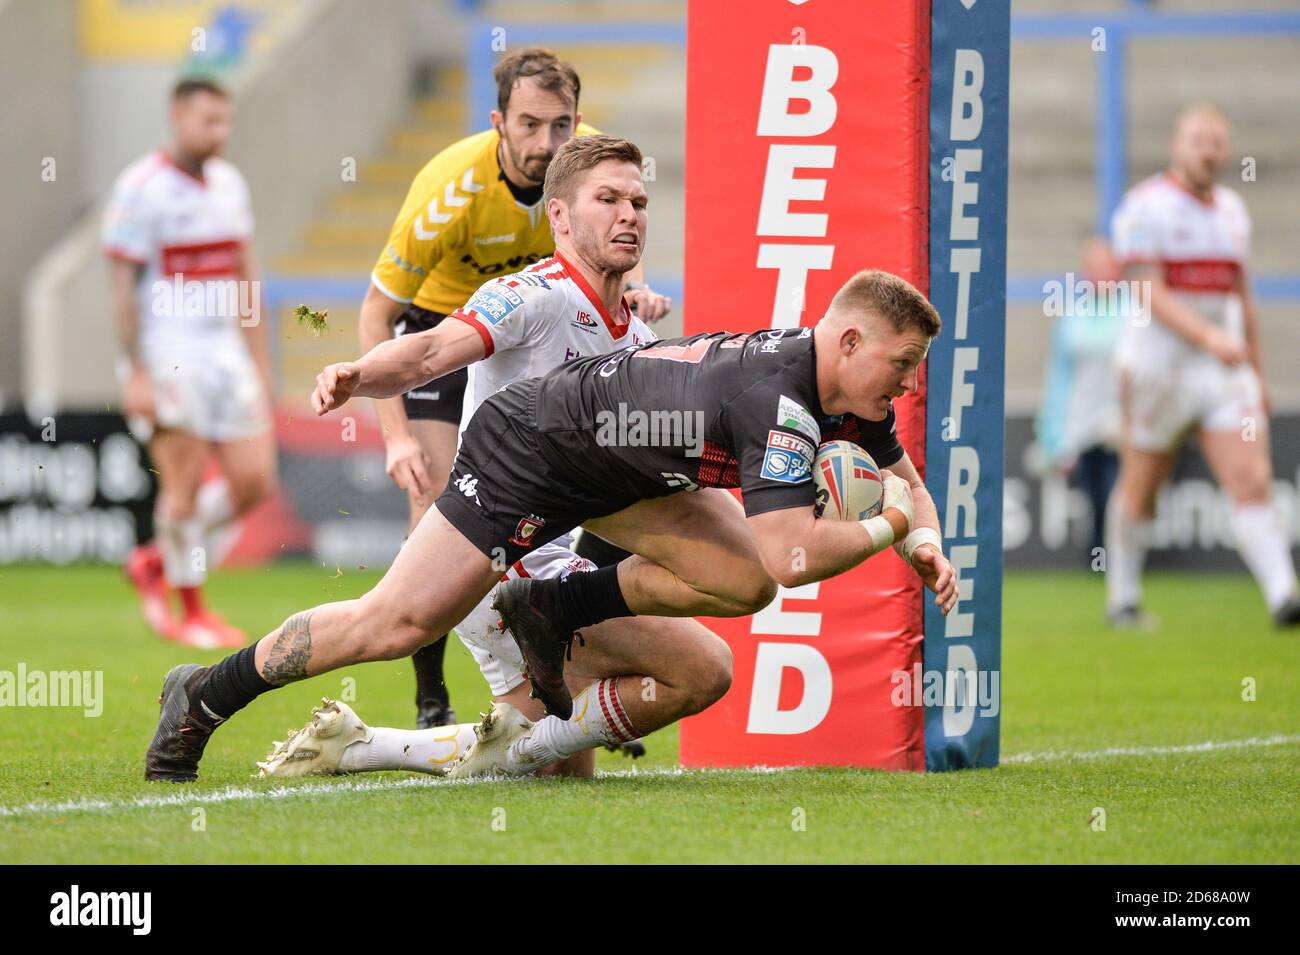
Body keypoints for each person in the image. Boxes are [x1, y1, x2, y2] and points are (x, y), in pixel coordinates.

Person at [144, 134, 955, 783]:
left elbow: (864, 491)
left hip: (606, 495)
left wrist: (924, 536)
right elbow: (431, 350)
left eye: (640, 199)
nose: (631, 214)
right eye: (609, 199)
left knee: (718, 633)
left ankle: (543, 622)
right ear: (560, 217)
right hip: (518, 467)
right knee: (395, 623)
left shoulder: (639, 327)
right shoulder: (533, 293)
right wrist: (363, 376)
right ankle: (207, 693)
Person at [361, 48, 672, 728]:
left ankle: (567, 656)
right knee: (439, 506)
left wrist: (640, 295)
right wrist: (395, 435)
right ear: (497, 121)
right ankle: (430, 697)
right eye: (529, 125)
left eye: (561, 126)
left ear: (579, 121)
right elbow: (376, 316)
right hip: (443, 340)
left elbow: (622, 252)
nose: (546, 144)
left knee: (609, 486)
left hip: (544, 328)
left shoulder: (593, 167)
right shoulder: (450, 186)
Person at [1105, 104, 1300, 630]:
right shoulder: (1145, 205)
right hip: (1156, 369)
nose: (1208, 151)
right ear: (1177, 144)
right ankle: (1123, 597)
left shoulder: (1234, 211)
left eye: (1216, 142)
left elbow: (1245, 298)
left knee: (1251, 479)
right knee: (1142, 486)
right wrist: (1209, 336)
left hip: (1219, 371)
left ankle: (1285, 596)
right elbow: (1145, 288)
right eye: (1198, 140)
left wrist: (1256, 373)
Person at [106, 77, 277, 649]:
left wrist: (259, 359)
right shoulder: (140, 189)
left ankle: (156, 557)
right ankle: (194, 609)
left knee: (254, 480)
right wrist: (135, 371)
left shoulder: (231, 184)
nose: (219, 133)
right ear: (177, 117)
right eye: (209, 121)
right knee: (179, 484)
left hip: (224, 349)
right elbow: (122, 288)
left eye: (225, 121)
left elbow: (246, 275)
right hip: (167, 350)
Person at [1034, 236, 1123, 558]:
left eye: (1105, 267)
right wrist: (1053, 433)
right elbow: (1059, 377)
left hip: (1122, 426)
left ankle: (1122, 563)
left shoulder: (1135, 313)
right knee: (1095, 497)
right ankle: (1098, 559)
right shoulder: (1072, 318)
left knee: (1119, 497)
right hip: (1083, 425)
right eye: (1093, 268)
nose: (1100, 275)